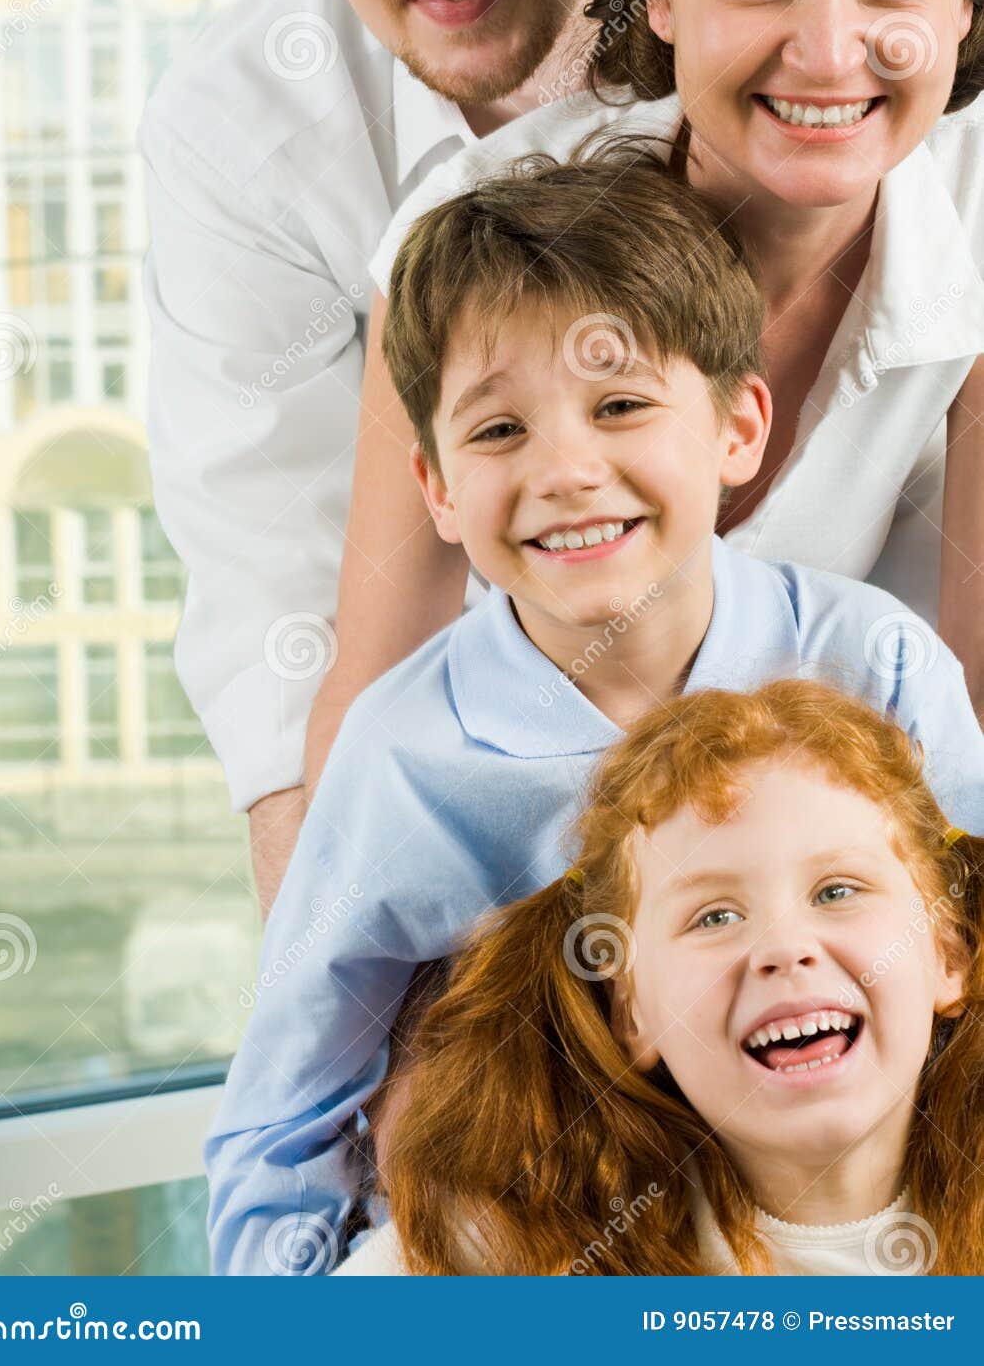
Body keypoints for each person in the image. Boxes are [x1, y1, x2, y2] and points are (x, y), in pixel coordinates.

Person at [202, 146, 984, 1275]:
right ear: (433, 486)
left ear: (734, 427)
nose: (565, 470)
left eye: (618, 405)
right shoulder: (403, 753)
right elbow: (284, 1109)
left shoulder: (870, 659)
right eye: (498, 430)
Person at [311, 0, 984, 833]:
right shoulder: (476, 227)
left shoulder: (968, 232)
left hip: (825, 891)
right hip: (519, 879)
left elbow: (972, 725)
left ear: (967, 4)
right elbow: (381, 688)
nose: (826, 55)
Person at [138, 0, 633, 913]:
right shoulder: (242, 125)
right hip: (470, 784)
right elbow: (280, 599)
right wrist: (335, 1028)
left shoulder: (769, 33)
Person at [336, 679, 984, 1276]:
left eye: (837, 890)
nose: (783, 949)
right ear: (632, 1013)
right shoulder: (521, 1247)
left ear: (948, 954)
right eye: (714, 916)